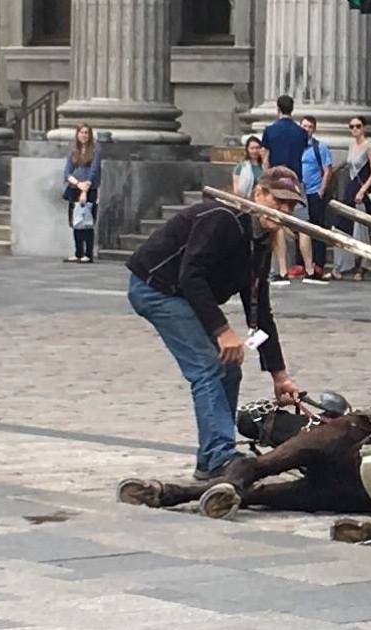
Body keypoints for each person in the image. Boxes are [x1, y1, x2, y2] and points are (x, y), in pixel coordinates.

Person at [126, 166, 304, 482]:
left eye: (290, 206)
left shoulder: (260, 244)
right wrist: (222, 331)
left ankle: (209, 458)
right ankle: (221, 456)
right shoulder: (223, 220)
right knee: (208, 366)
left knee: (229, 366)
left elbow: (259, 312)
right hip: (157, 288)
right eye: (279, 201)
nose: (284, 211)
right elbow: (190, 276)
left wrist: (279, 375)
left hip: (185, 295)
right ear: (259, 195)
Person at [261, 94, 314, 282]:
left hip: (276, 182)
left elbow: (265, 158)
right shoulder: (300, 132)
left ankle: (282, 270)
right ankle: (309, 268)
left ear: (278, 108)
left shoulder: (269, 130)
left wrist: (264, 181)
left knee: (279, 226)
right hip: (295, 180)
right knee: (303, 225)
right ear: (292, 109)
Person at [330, 116, 371, 281]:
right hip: (350, 187)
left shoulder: (369, 146)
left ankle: (361, 266)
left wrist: (363, 190)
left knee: (361, 229)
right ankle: (341, 265)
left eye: (358, 126)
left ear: (364, 127)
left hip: (361, 189)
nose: (355, 129)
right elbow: (347, 162)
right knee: (341, 224)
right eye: (352, 126)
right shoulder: (352, 145)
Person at [297, 115, 333, 284]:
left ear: (314, 129)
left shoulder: (321, 147)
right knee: (300, 228)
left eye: (309, 126)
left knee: (317, 229)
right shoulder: (295, 147)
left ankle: (318, 264)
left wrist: (321, 190)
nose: (306, 129)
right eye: (303, 126)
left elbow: (327, 169)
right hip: (298, 192)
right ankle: (301, 263)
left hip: (314, 192)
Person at [62, 123, 102, 264]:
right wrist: (77, 184)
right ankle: (78, 252)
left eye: (86, 132)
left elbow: (94, 170)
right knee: (76, 221)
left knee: (87, 221)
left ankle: (88, 253)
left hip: (89, 188)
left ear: (90, 135)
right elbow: (67, 171)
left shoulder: (95, 149)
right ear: (77, 134)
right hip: (74, 187)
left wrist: (85, 188)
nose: (84, 135)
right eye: (81, 132)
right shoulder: (74, 150)